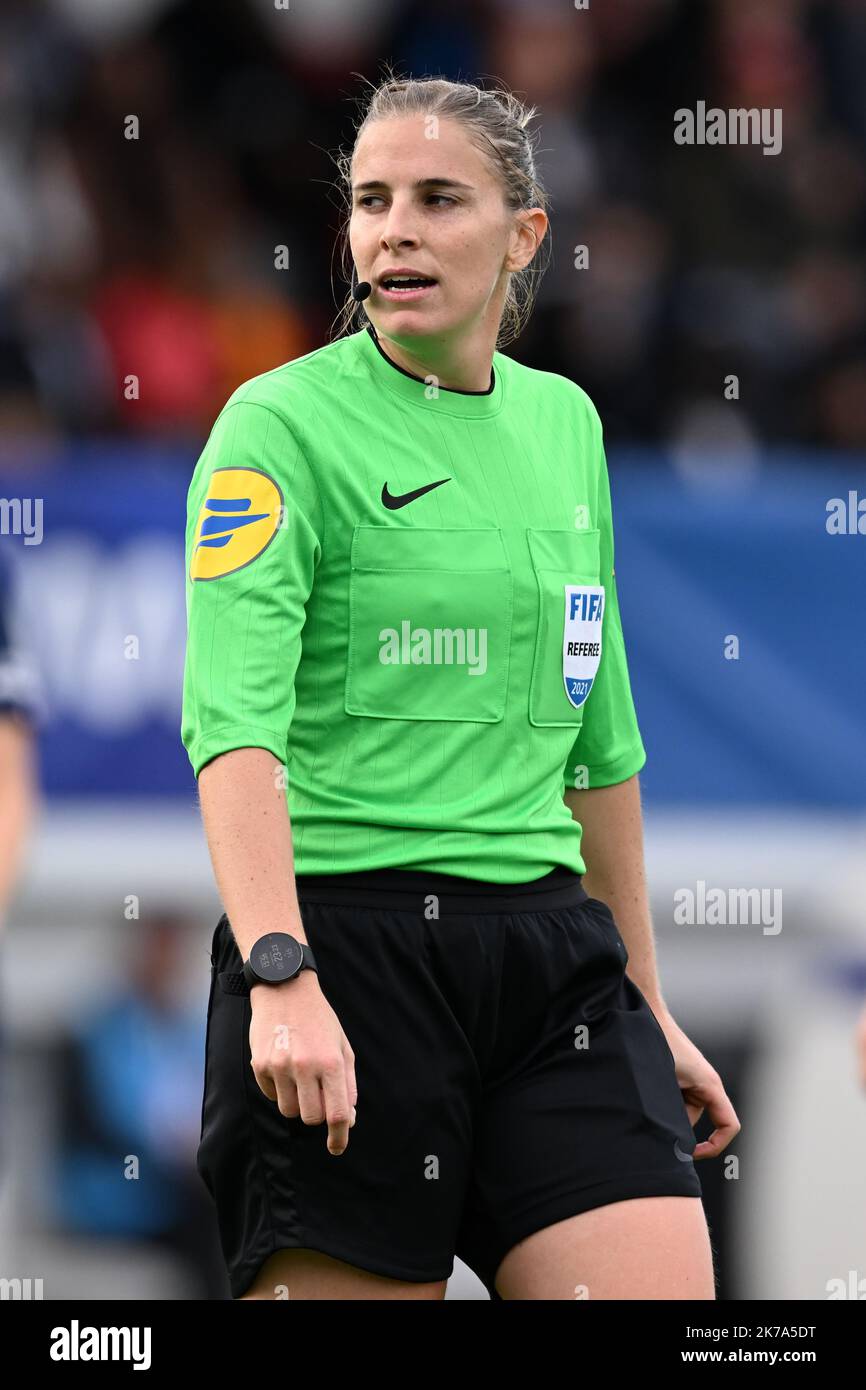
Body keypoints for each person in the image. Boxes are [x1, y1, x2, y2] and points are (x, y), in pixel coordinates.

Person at [181, 73, 739, 1301]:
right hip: (345, 954)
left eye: (438, 199)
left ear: (522, 233)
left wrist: (643, 1002)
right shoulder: (273, 427)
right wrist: (281, 976)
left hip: (551, 968)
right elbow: (232, 729)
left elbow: (598, 742)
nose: (395, 229)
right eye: (372, 201)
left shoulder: (566, 426)